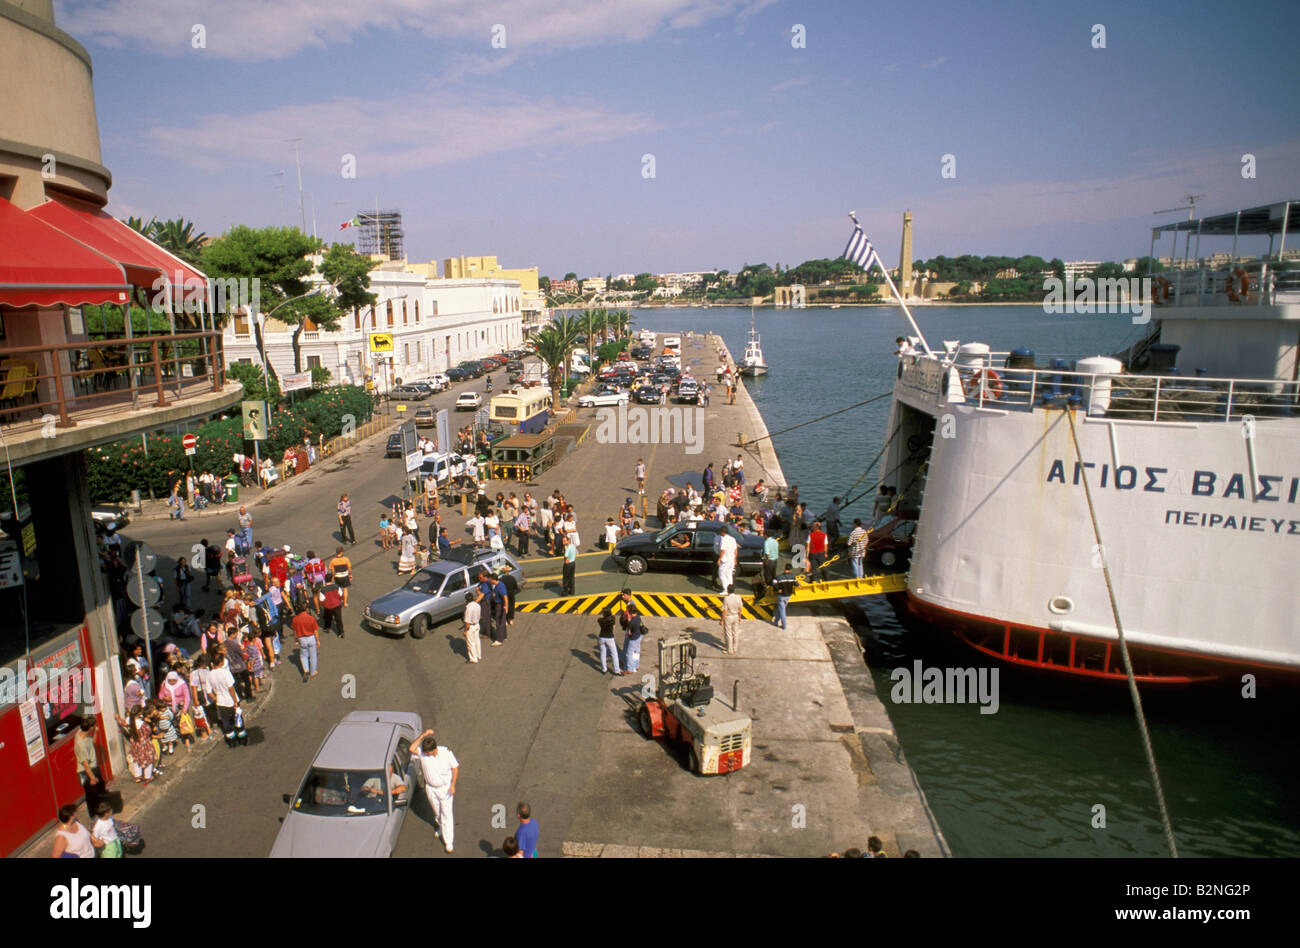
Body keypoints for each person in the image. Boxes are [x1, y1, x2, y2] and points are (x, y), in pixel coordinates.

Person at [411, 729, 458, 853]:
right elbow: (412, 748)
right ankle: (441, 828)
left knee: (447, 814)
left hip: (445, 788)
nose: (425, 755)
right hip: (431, 789)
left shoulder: (446, 753)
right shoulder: (423, 752)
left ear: (434, 750)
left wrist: (453, 785)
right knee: (437, 812)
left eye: (428, 753)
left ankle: (449, 842)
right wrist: (423, 735)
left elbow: (455, 767)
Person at [74, 719, 103, 816]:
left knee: (99, 791)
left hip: (93, 767)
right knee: (92, 796)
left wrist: (96, 732)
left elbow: (93, 741)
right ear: (89, 728)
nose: (94, 727)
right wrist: (92, 777)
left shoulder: (81, 732)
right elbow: (85, 764)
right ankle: (95, 815)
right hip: (88, 771)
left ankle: (101, 812)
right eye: (93, 726)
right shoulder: (80, 744)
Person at [293, 605, 320, 681]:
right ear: (306, 609)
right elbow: (315, 631)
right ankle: (313, 672)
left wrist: (295, 640)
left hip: (301, 639)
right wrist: (317, 640)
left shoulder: (295, 619)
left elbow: (295, 631)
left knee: (303, 655)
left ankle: (306, 670)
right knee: (313, 655)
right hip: (311, 638)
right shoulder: (311, 618)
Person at [772, 564, 798, 630]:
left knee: (782, 611)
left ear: (784, 568)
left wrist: (778, 589)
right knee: (780, 609)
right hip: (788, 596)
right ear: (790, 570)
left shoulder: (779, 577)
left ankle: (784, 626)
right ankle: (775, 622)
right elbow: (796, 584)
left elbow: (774, 583)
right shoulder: (793, 577)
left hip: (781, 596)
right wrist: (799, 585)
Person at [596, 611, 622, 675]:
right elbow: (614, 626)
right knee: (614, 654)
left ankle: (604, 669)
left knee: (603, 653)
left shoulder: (600, 620)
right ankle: (617, 670)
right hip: (609, 638)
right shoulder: (612, 620)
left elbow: (599, 619)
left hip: (601, 637)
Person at [721, 583, 743, 654]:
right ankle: (735, 648)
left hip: (728, 617)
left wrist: (722, 620)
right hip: (736, 616)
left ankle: (729, 650)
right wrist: (740, 617)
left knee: (728, 634)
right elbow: (740, 609)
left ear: (727, 591)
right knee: (736, 633)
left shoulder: (726, 599)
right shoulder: (738, 597)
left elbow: (725, 611)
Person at [463, 589, 483, 664]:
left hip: (471, 627)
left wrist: (465, 631)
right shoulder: (477, 605)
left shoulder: (468, 608)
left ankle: (473, 659)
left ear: (466, 600)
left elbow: (467, 622)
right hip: (477, 624)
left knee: (470, 643)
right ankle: (478, 655)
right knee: (477, 640)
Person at [623, 604, 644, 674]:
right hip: (639, 636)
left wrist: (628, 622)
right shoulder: (638, 617)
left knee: (629, 654)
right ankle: (636, 665)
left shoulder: (632, 622)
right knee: (636, 652)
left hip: (633, 639)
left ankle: (630, 669)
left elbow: (629, 633)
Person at [717, 527, 738, 592]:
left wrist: (719, 559)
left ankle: (725, 589)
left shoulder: (724, 540)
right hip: (731, 559)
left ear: (722, 532)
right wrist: (735, 559)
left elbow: (723, 550)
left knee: (721, 574)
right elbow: (735, 550)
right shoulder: (732, 539)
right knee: (729, 574)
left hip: (725, 559)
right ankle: (730, 589)